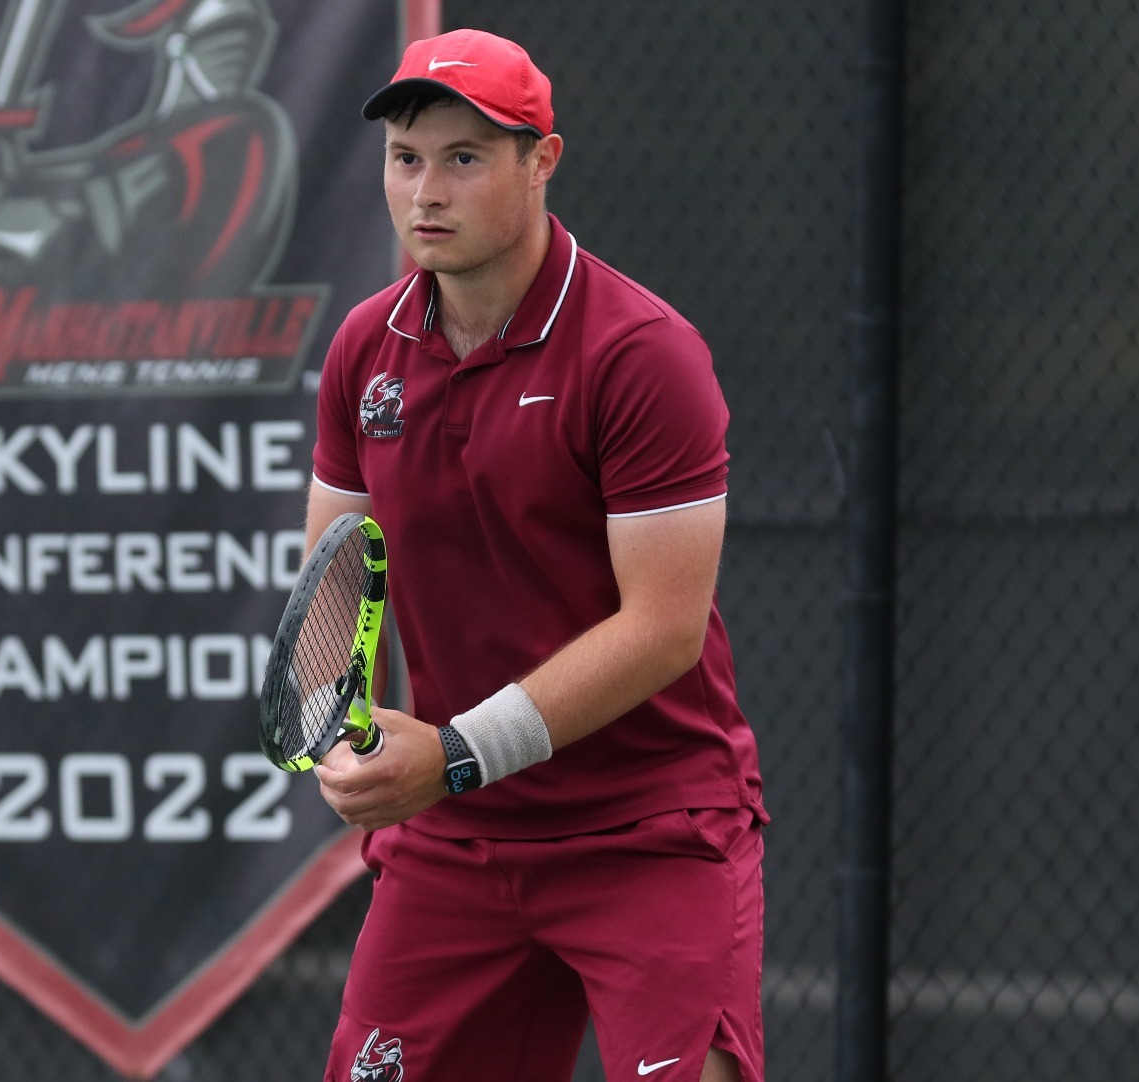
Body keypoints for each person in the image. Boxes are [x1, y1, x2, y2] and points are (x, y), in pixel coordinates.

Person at [307, 29, 767, 1082]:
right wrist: (343, 719)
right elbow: (335, 587)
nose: (427, 190)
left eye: (465, 158)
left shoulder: (641, 355)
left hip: (649, 826)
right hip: (455, 841)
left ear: (542, 160)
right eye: (406, 159)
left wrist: (454, 751)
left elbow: (662, 629)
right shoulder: (362, 353)